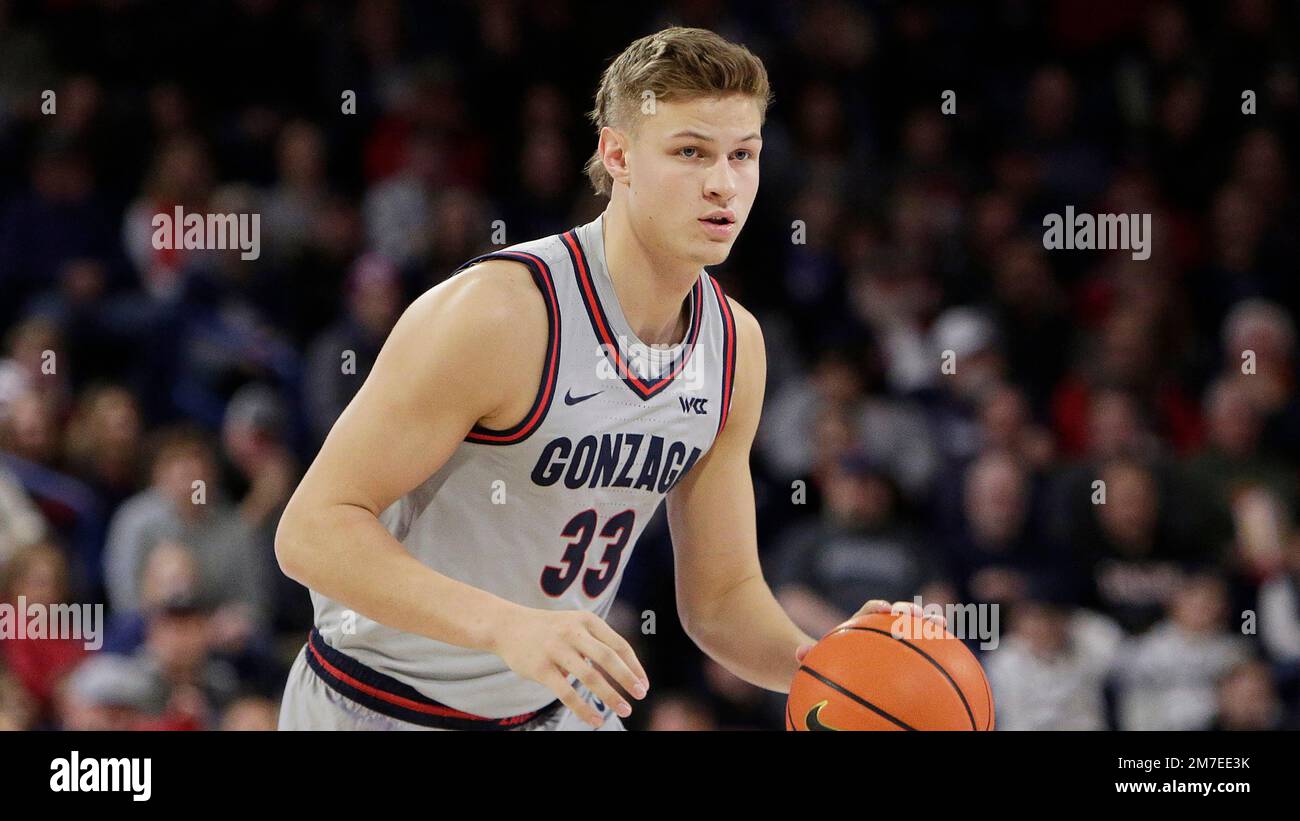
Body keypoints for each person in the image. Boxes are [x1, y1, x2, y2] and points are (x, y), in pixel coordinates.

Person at [275, 26, 939, 732]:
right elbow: (311, 531)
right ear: (617, 155)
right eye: (691, 152)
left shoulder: (735, 344)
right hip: (378, 702)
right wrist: (508, 626)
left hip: (552, 708)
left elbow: (720, 599)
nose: (724, 182)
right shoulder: (502, 312)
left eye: (743, 155)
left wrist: (830, 666)